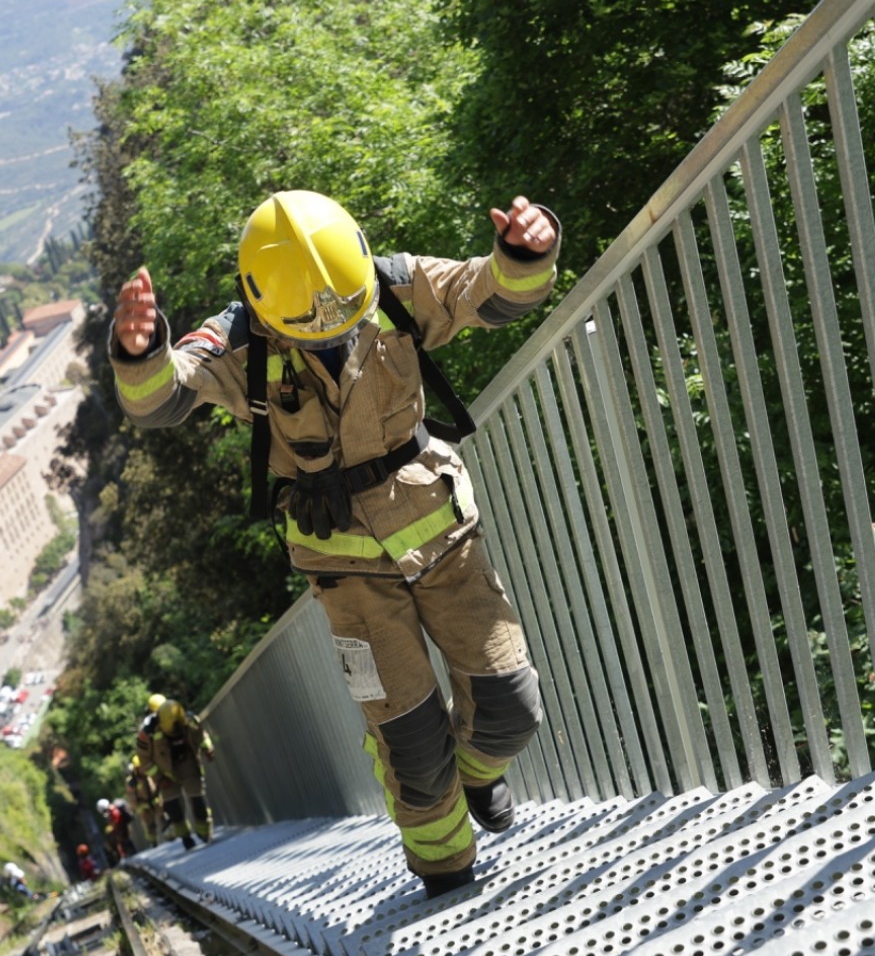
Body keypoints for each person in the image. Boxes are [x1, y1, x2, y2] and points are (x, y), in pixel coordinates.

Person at [108, 191, 557, 898]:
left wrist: (526, 251)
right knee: (411, 742)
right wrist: (140, 353)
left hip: (444, 537)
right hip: (346, 573)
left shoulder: (391, 284)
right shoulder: (241, 340)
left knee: (510, 703)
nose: (330, 333)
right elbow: (167, 394)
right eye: (308, 330)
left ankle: (478, 771)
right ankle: (445, 866)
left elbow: (489, 292)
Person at [134, 694, 216, 850]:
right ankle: (185, 837)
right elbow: (144, 758)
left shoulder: (187, 718)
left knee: (198, 798)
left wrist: (207, 748)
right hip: (164, 772)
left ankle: (204, 832)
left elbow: (200, 734)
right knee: (173, 808)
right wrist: (158, 777)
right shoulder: (147, 733)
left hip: (187, 763)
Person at [125, 753, 162, 845]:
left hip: (154, 800)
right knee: (149, 824)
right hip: (143, 805)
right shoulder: (132, 781)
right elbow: (131, 796)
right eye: (139, 767)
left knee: (162, 816)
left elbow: (155, 784)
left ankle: (170, 835)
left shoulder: (149, 773)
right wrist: (137, 807)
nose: (141, 768)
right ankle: (153, 841)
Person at [96, 797, 137, 862]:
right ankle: (131, 856)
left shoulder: (112, 810)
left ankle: (133, 855)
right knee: (124, 841)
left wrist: (114, 827)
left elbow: (116, 819)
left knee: (125, 841)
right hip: (121, 827)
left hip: (121, 827)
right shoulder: (111, 809)